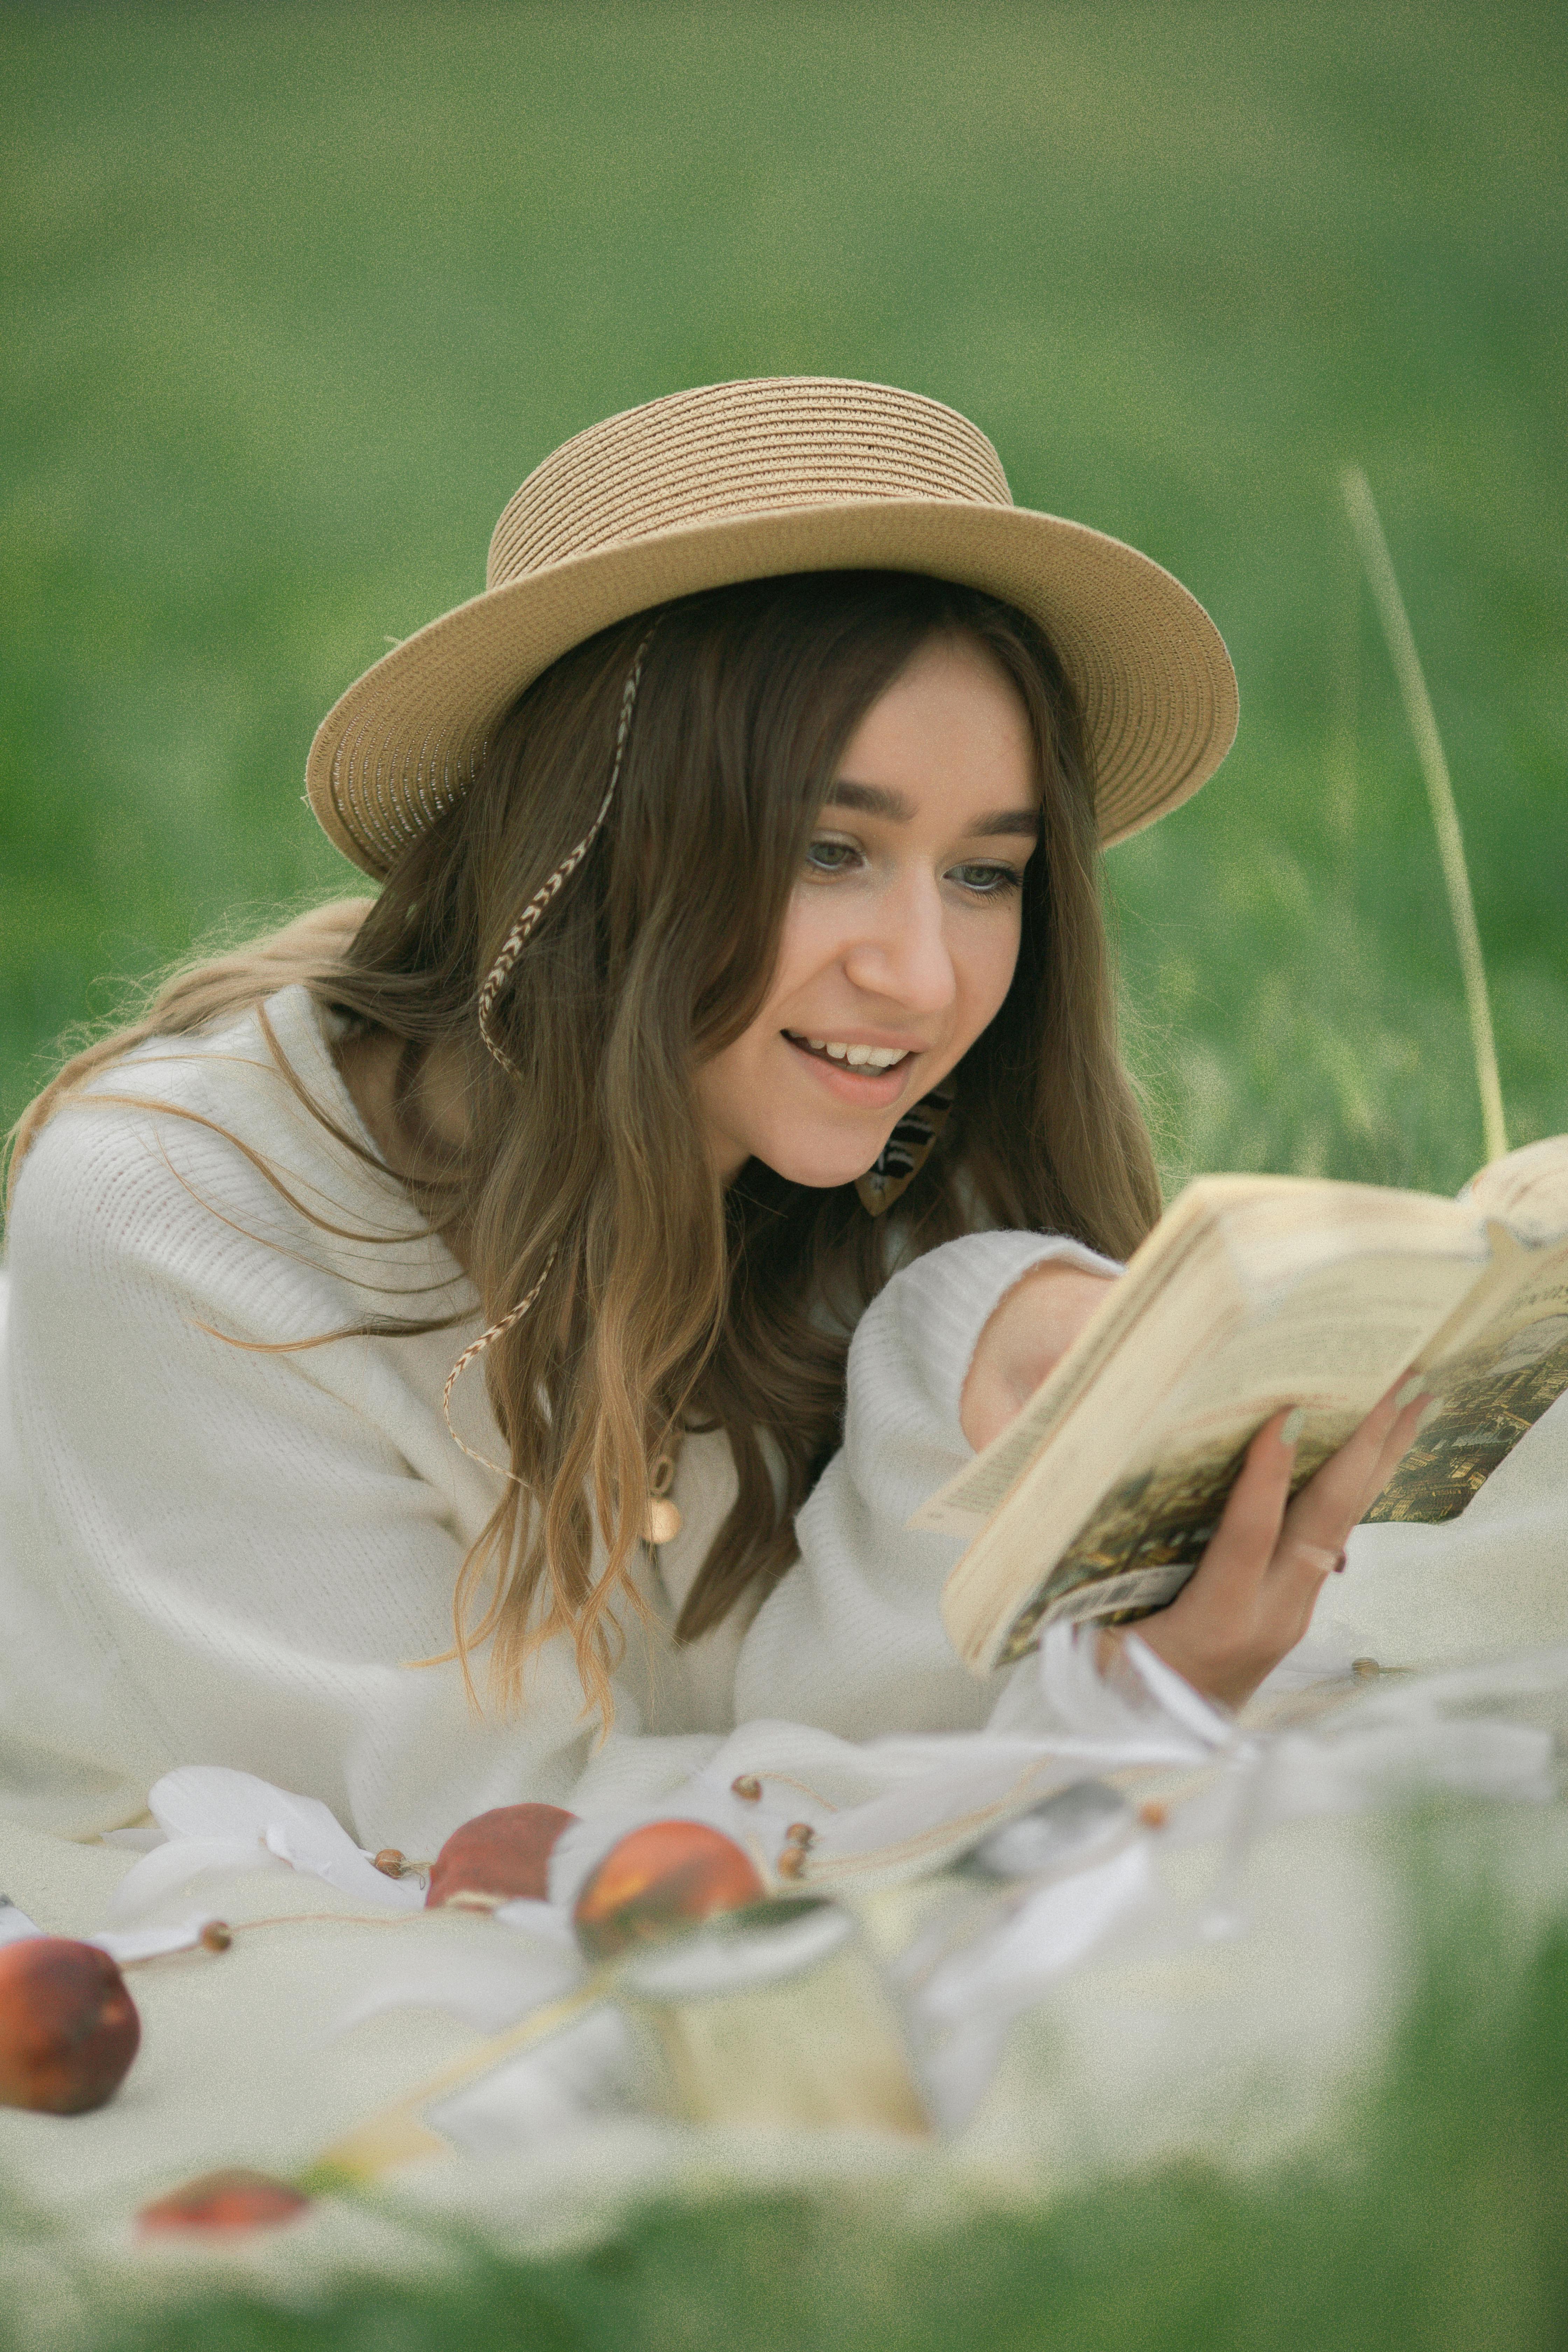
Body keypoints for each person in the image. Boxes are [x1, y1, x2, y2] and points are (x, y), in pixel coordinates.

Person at [0, 377, 1428, 1851]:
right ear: (594, 847)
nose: (922, 977)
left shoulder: (896, 1155)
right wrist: (1106, 1723)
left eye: (985, 873)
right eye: (829, 848)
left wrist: (967, 1354)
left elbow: (798, 1741)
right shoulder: (182, 1218)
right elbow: (488, 1846)